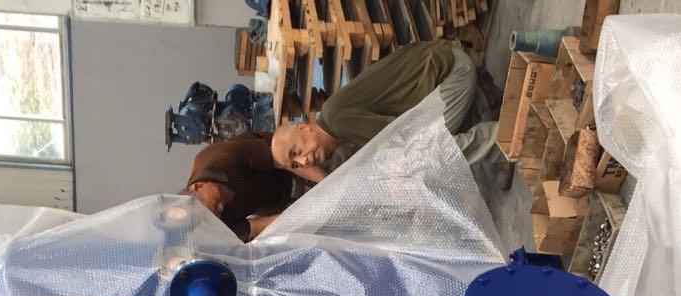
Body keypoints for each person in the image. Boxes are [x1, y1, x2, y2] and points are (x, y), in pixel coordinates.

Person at [270, 39, 499, 183]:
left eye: (295, 151)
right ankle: (484, 103)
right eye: (295, 165)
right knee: (418, 152)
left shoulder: (337, 120)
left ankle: (502, 143)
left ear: (303, 127)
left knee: (421, 157)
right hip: (445, 65)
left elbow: (399, 138)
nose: (304, 161)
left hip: (452, 71)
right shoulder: (334, 123)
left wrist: (394, 180)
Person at [184, 132, 293, 240]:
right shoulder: (212, 223)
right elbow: (258, 225)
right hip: (277, 201)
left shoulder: (223, 157)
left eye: (215, 204)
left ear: (197, 186)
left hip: (284, 155)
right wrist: (297, 217)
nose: (221, 208)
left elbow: (286, 157)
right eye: (218, 214)